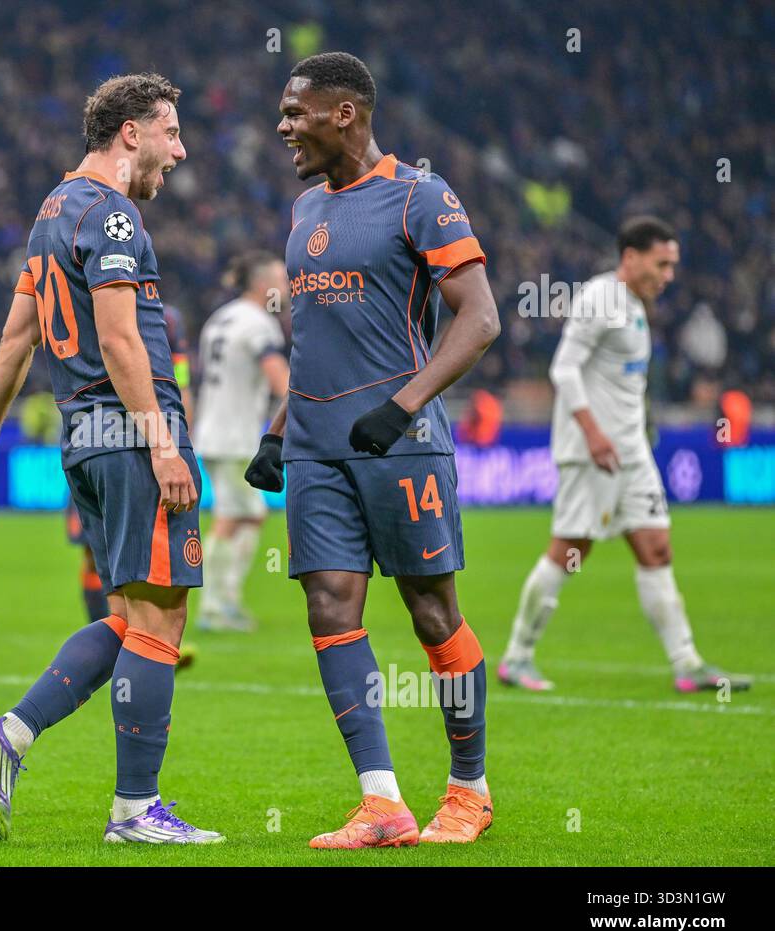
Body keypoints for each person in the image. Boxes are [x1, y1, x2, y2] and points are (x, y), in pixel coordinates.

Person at [0, 73, 222, 844]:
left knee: (125, 618)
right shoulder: (113, 216)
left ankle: (9, 735)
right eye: (171, 133)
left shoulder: (53, 212)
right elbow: (121, 340)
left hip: (82, 436)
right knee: (160, 617)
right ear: (130, 133)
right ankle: (135, 811)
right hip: (130, 432)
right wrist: (163, 443)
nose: (180, 152)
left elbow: (18, 339)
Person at [247, 52, 500, 847]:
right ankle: (382, 801)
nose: (284, 127)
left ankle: (468, 791)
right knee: (327, 604)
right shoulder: (301, 213)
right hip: (316, 448)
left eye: (297, 113)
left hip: (401, 444)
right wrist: (277, 433)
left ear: (344, 113)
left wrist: (404, 407)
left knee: (431, 611)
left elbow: (480, 318)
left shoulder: (420, 197)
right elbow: (317, 338)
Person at [500, 216, 751, 694]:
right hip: (594, 454)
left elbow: (621, 381)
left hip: (631, 453)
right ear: (631, 257)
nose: (669, 275)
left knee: (656, 548)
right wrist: (594, 434)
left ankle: (687, 664)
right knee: (571, 552)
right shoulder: (599, 299)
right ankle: (517, 656)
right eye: (662, 264)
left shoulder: (636, 305)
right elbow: (565, 370)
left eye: (673, 266)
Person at [193, 251, 289, 631]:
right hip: (235, 436)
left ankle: (224, 600)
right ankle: (214, 606)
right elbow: (279, 377)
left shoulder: (221, 317)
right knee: (232, 518)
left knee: (247, 513)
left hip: (213, 429)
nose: (286, 289)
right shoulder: (259, 323)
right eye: (281, 281)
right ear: (263, 285)